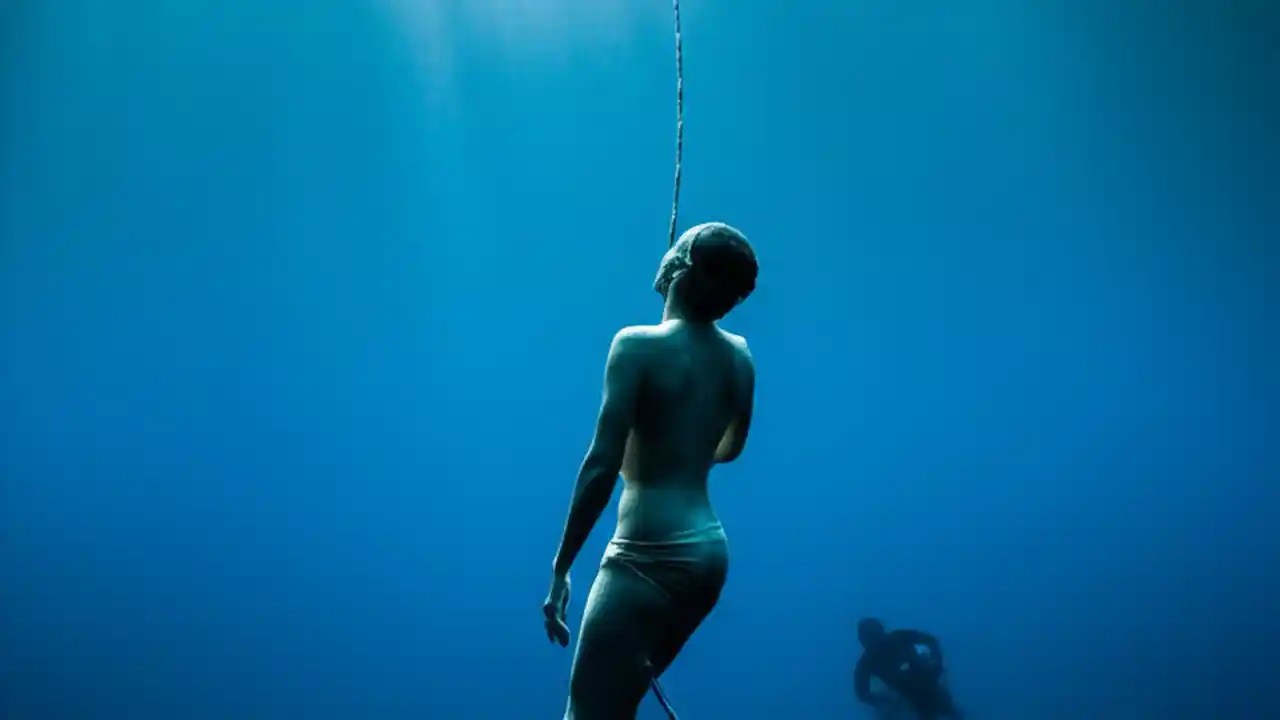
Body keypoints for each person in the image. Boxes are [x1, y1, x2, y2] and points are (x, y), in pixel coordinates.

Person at [541, 222, 759, 720]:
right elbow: (728, 448)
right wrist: (682, 441)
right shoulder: (741, 355)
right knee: (618, 703)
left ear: (682, 265)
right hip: (707, 558)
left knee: (589, 714)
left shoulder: (636, 345)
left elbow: (601, 465)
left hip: (646, 555)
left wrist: (561, 570)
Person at [853, 618, 963, 720]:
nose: (876, 643)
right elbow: (862, 693)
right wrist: (883, 701)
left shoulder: (898, 638)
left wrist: (936, 663)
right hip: (907, 697)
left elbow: (930, 640)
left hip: (926, 684)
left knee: (946, 708)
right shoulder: (866, 662)